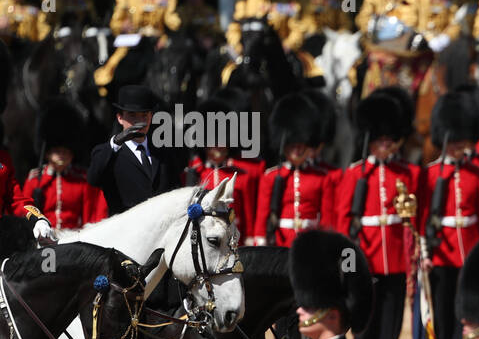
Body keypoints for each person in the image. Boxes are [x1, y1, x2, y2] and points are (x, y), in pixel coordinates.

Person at [337, 88, 421, 339]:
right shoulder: (355, 173)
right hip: (367, 250)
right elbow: (344, 216)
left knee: (392, 312)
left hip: (396, 251)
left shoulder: (406, 172)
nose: (385, 146)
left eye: (389, 141)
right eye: (380, 141)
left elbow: (413, 213)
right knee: (365, 311)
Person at [418, 90, 479, 339]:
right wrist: (424, 252)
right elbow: (423, 215)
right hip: (441, 250)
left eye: (465, 142)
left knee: (465, 312)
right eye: (457, 142)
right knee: (443, 311)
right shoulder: (431, 174)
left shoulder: (477, 174)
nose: (462, 148)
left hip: (470, 249)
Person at [87, 85, 184, 215]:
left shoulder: (164, 153)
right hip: (126, 230)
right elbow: (93, 179)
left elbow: (176, 191)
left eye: (144, 115)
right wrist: (116, 142)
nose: (139, 121)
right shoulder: (109, 152)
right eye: (132, 115)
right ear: (120, 118)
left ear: (151, 116)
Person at [94, 0, 181, 92]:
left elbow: (174, 24)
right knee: (121, 71)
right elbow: (114, 24)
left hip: (157, 44)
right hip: (133, 45)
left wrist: (170, 10)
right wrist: (122, 26)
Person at [256, 92, 334, 247]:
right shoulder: (270, 177)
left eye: (301, 145)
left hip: (311, 243)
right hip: (281, 241)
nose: (297, 150)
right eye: (292, 145)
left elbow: (326, 218)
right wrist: (260, 241)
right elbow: (262, 214)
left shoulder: (321, 177)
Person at [25, 100, 106, 230]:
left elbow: (91, 217)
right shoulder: (35, 180)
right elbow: (25, 214)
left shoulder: (82, 181)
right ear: (46, 154)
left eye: (65, 151)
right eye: (57, 151)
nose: (61, 155)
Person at [183, 97, 258, 236]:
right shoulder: (195, 173)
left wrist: (251, 238)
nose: (218, 146)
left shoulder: (240, 176)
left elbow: (248, 214)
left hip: (235, 235)